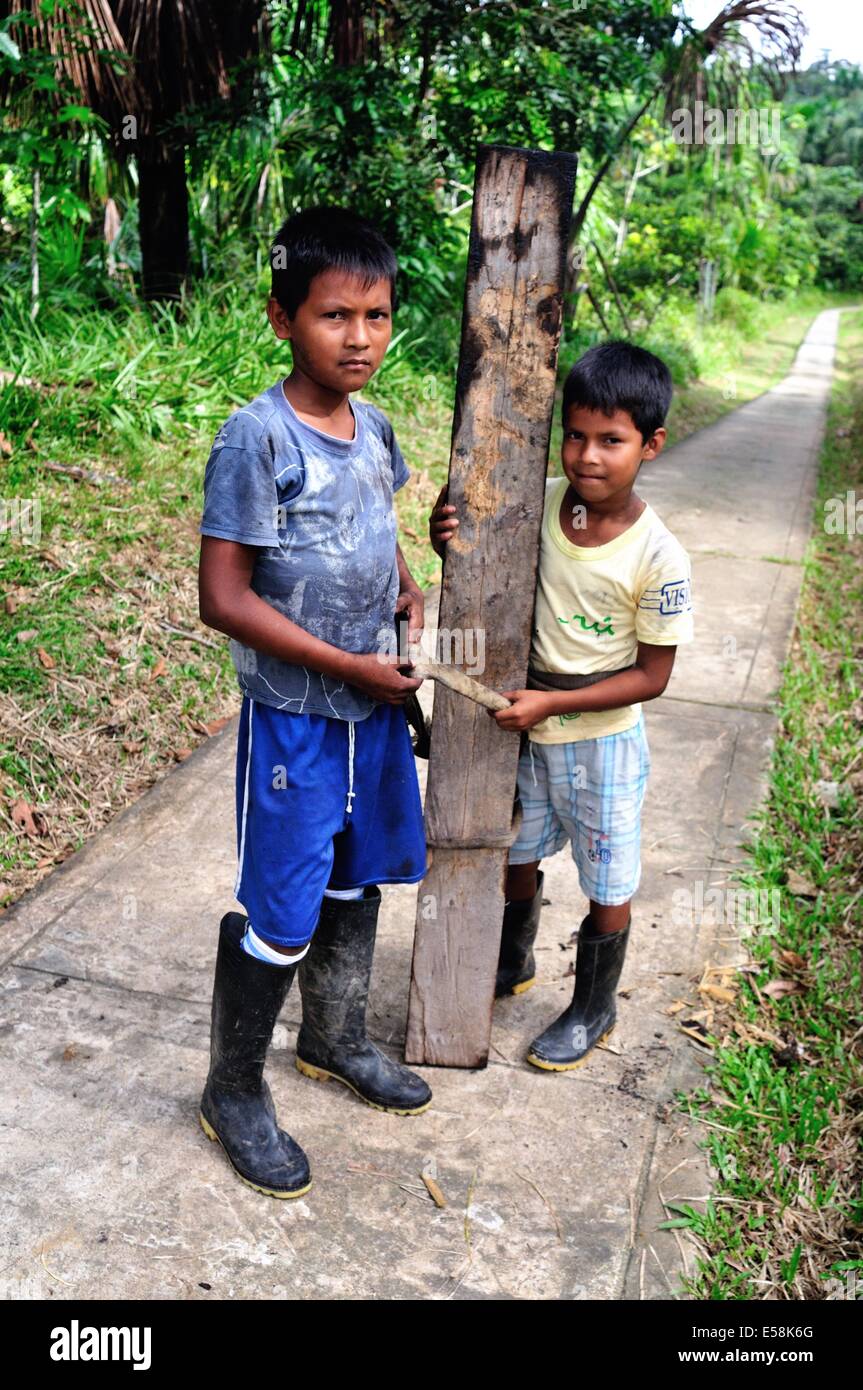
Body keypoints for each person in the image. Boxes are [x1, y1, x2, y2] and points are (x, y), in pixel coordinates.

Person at [197, 206, 432, 1200]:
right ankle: (232, 1087)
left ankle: (333, 1037)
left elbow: (374, 527)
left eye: (376, 316)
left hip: (371, 714)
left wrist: (408, 580)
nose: (359, 338)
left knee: (353, 877)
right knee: (283, 907)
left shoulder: (371, 425)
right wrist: (341, 662)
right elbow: (222, 596)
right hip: (299, 719)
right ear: (281, 317)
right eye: (335, 315)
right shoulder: (256, 439)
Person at [429, 340, 694, 1071]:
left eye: (611, 440)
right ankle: (512, 960)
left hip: (600, 741)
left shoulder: (657, 556)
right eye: (575, 435)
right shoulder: (538, 503)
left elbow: (652, 677)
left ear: (650, 445)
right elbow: (475, 550)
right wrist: (445, 530)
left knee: (606, 880)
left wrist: (551, 704)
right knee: (515, 850)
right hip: (528, 731)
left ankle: (592, 1005)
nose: (587, 456)